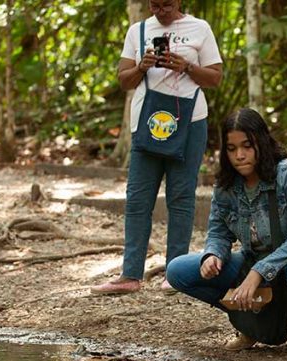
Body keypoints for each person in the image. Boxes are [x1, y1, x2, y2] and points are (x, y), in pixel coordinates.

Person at [166, 108, 287, 355]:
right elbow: (218, 232)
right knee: (178, 270)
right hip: (252, 263)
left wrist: (258, 272)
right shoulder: (225, 185)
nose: (239, 155)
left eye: (247, 146)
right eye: (231, 148)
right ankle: (248, 322)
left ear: (262, 141)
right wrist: (212, 256)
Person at [91, 0, 223, 295]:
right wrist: (141, 67)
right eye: (154, 5)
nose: (159, 11)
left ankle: (175, 272)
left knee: (181, 196)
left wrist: (186, 66)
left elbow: (215, 77)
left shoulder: (200, 28)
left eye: (165, 5)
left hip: (190, 122)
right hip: (147, 123)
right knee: (137, 199)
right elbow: (124, 80)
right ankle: (130, 275)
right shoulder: (137, 30)